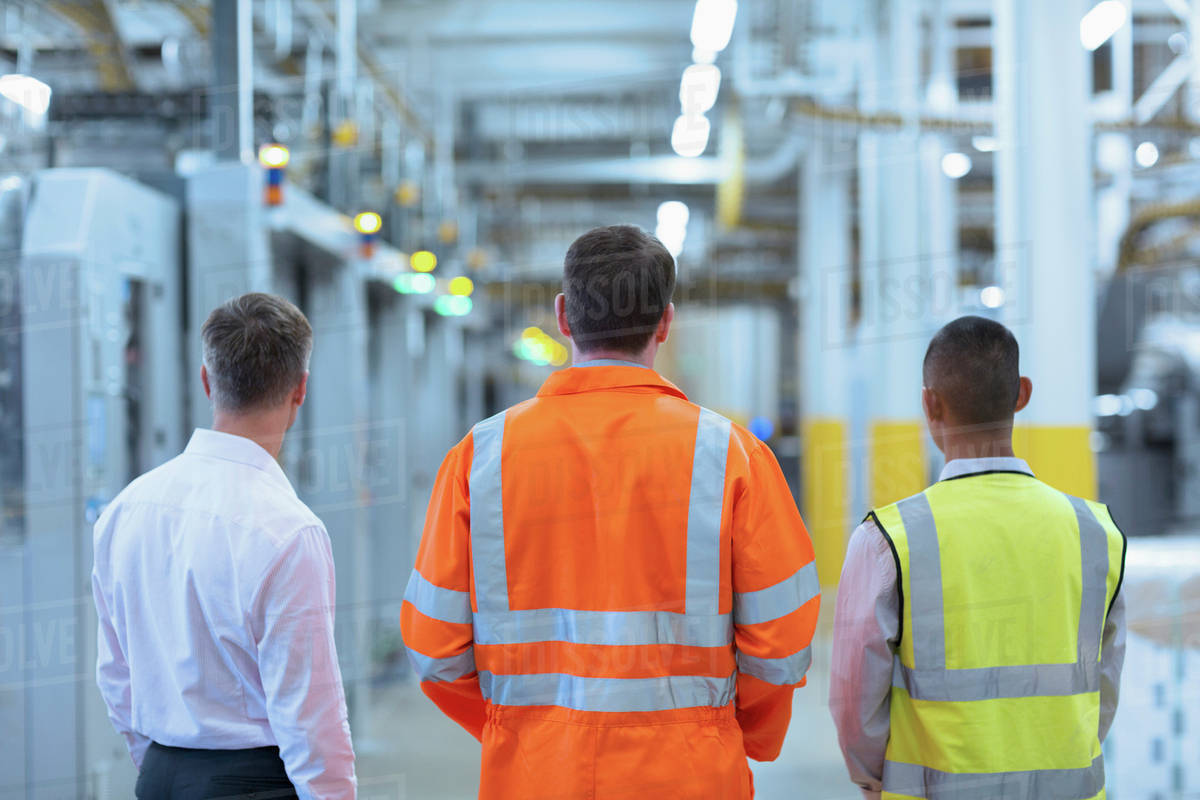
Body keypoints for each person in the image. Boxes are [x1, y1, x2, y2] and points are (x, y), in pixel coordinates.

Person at [401, 225, 819, 798]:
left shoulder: (479, 458)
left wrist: (520, 729)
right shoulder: (733, 456)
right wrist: (735, 732)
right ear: (666, 323)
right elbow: (781, 646)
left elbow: (433, 648)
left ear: (563, 316)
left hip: (533, 776)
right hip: (692, 775)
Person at [830, 315, 1127, 800]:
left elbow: (853, 697)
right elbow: (1106, 685)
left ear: (929, 403)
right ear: (1022, 394)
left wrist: (871, 777)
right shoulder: (1096, 532)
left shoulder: (888, 539)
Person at [92, 292, 356, 799]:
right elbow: (310, 714)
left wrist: (162, 767)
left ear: (208, 381)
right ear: (300, 390)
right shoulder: (289, 532)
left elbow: (115, 676)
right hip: (251, 783)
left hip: (160, 776)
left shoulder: (126, 510)